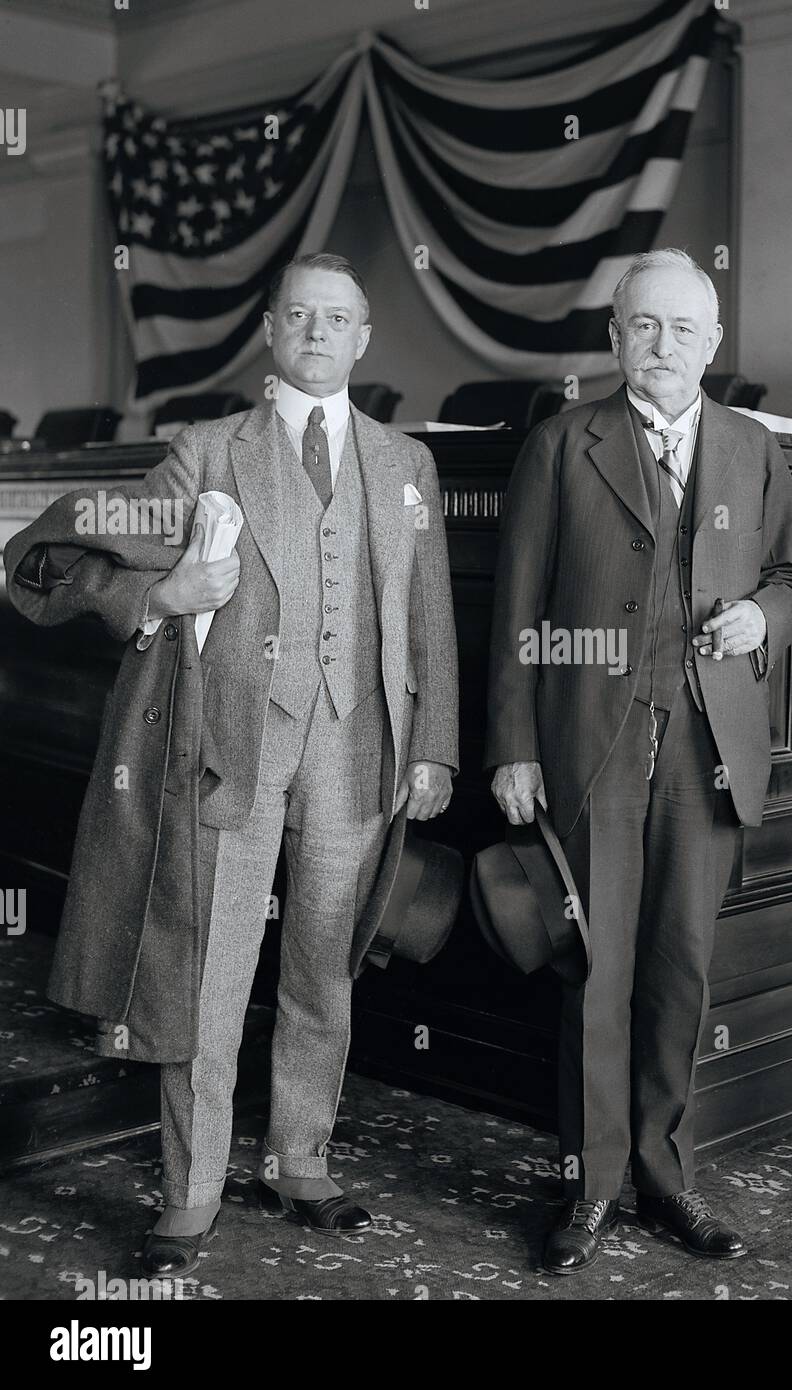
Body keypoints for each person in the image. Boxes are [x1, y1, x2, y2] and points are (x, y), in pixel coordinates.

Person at [5, 252, 458, 1276]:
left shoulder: (407, 465)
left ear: (363, 336)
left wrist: (434, 748)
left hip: (358, 746)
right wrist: (158, 599)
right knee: (207, 975)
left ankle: (301, 1159)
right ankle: (192, 1190)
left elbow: (429, 615)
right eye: (298, 315)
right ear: (270, 330)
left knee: (323, 969)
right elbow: (72, 556)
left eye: (336, 318)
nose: (316, 332)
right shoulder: (207, 449)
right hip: (228, 751)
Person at [485, 248, 792, 1274]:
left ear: (713, 344)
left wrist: (762, 615)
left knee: (679, 968)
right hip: (592, 745)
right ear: (615, 336)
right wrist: (513, 747)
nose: (660, 346)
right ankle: (594, 1183)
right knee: (596, 970)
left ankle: (666, 1176)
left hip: (710, 749)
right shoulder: (560, 443)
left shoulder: (755, 450)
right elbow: (516, 612)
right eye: (642, 326)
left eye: (682, 330)